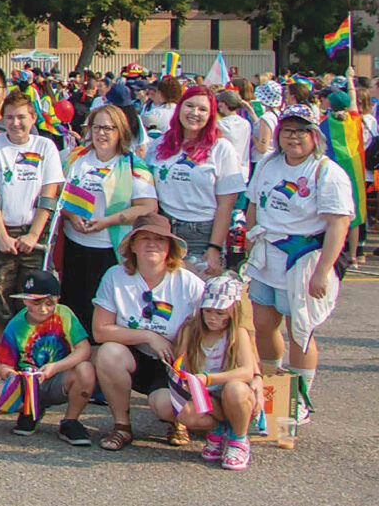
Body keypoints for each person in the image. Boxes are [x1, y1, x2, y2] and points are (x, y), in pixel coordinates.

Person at [244, 104, 352, 425]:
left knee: (300, 331)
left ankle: (298, 398)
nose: (294, 137)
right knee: (263, 324)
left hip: (303, 260)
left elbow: (338, 225)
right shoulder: (268, 164)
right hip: (266, 256)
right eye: (288, 129)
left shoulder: (327, 172)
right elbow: (253, 204)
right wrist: (250, 244)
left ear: (314, 135)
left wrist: (322, 272)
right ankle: (273, 392)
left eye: (302, 130)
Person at [0, 89, 65, 389]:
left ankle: (32, 367)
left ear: (33, 118)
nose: (15, 123)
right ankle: (4, 370)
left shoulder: (45, 146)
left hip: (34, 233)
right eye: (9, 117)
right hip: (2, 233)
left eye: (21, 117)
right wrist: (0, 232)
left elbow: (50, 193)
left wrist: (34, 233)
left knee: (34, 303)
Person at [91, 216, 207, 452]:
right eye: (144, 238)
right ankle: (122, 426)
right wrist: (149, 336)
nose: (152, 244)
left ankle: (178, 422)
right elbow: (101, 331)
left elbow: (212, 328)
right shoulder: (115, 276)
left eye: (159, 239)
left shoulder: (189, 282)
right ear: (133, 245)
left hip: (176, 362)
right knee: (108, 353)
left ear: (170, 248)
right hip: (136, 357)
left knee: (164, 406)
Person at [55, 103, 159, 330]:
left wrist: (108, 221)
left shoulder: (133, 164)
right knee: (74, 312)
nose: (102, 133)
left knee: (106, 315)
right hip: (75, 248)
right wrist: (71, 216)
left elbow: (148, 207)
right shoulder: (73, 159)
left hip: (112, 252)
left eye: (109, 128)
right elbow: (55, 196)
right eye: (97, 127)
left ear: (120, 131)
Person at [150, 275, 259, 470]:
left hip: (227, 391)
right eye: (208, 311)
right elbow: (181, 363)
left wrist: (208, 379)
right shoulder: (191, 330)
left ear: (233, 310)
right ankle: (217, 430)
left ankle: (238, 438)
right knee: (173, 402)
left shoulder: (237, 333)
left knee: (235, 390)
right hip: (201, 393)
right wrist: (183, 378)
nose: (212, 318)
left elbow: (246, 371)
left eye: (219, 313)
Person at [0, 268, 95, 446]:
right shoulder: (15, 325)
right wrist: (12, 377)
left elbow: (83, 349)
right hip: (28, 382)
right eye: (36, 302)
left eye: (50, 302)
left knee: (85, 368)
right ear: (25, 300)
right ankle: (30, 411)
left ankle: (71, 421)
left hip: (58, 377)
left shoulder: (64, 314)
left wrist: (56, 367)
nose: (44, 309)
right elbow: (4, 363)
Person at [146, 84, 243, 274]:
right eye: (190, 106)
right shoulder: (159, 145)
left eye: (203, 109)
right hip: (163, 227)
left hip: (202, 234)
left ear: (211, 115)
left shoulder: (221, 148)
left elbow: (226, 204)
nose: (195, 113)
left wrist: (214, 248)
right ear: (180, 107)